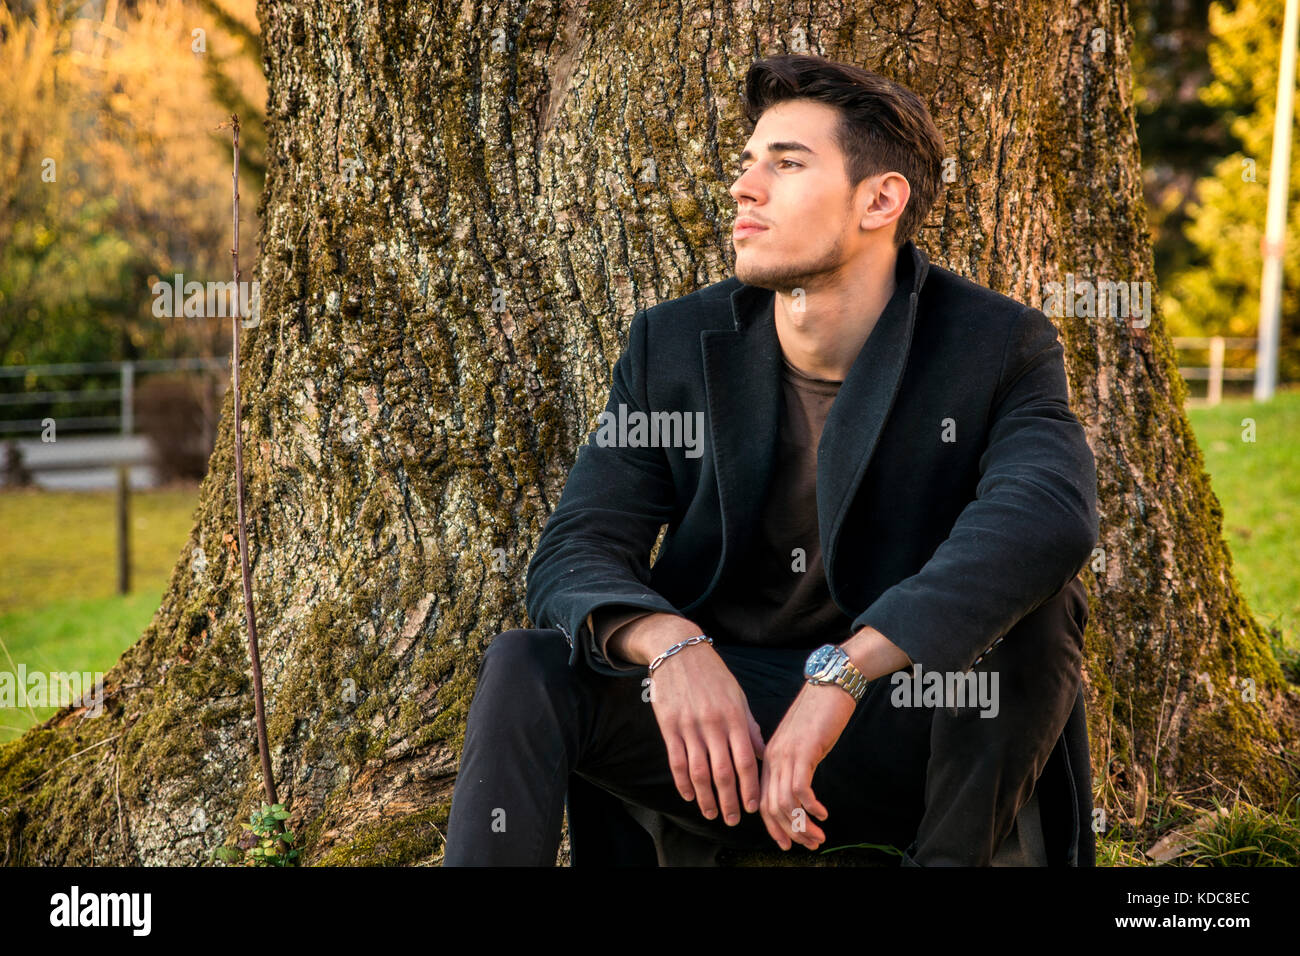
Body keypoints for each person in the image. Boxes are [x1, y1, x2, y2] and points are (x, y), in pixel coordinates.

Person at [443, 52, 1097, 867]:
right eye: (749, 163)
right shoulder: (674, 345)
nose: (744, 188)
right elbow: (576, 547)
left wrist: (845, 673)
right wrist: (668, 641)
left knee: (1038, 609)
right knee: (528, 664)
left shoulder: (996, 345)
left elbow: (1048, 516)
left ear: (880, 200)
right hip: (721, 742)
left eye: (786, 163)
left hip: (905, 732)